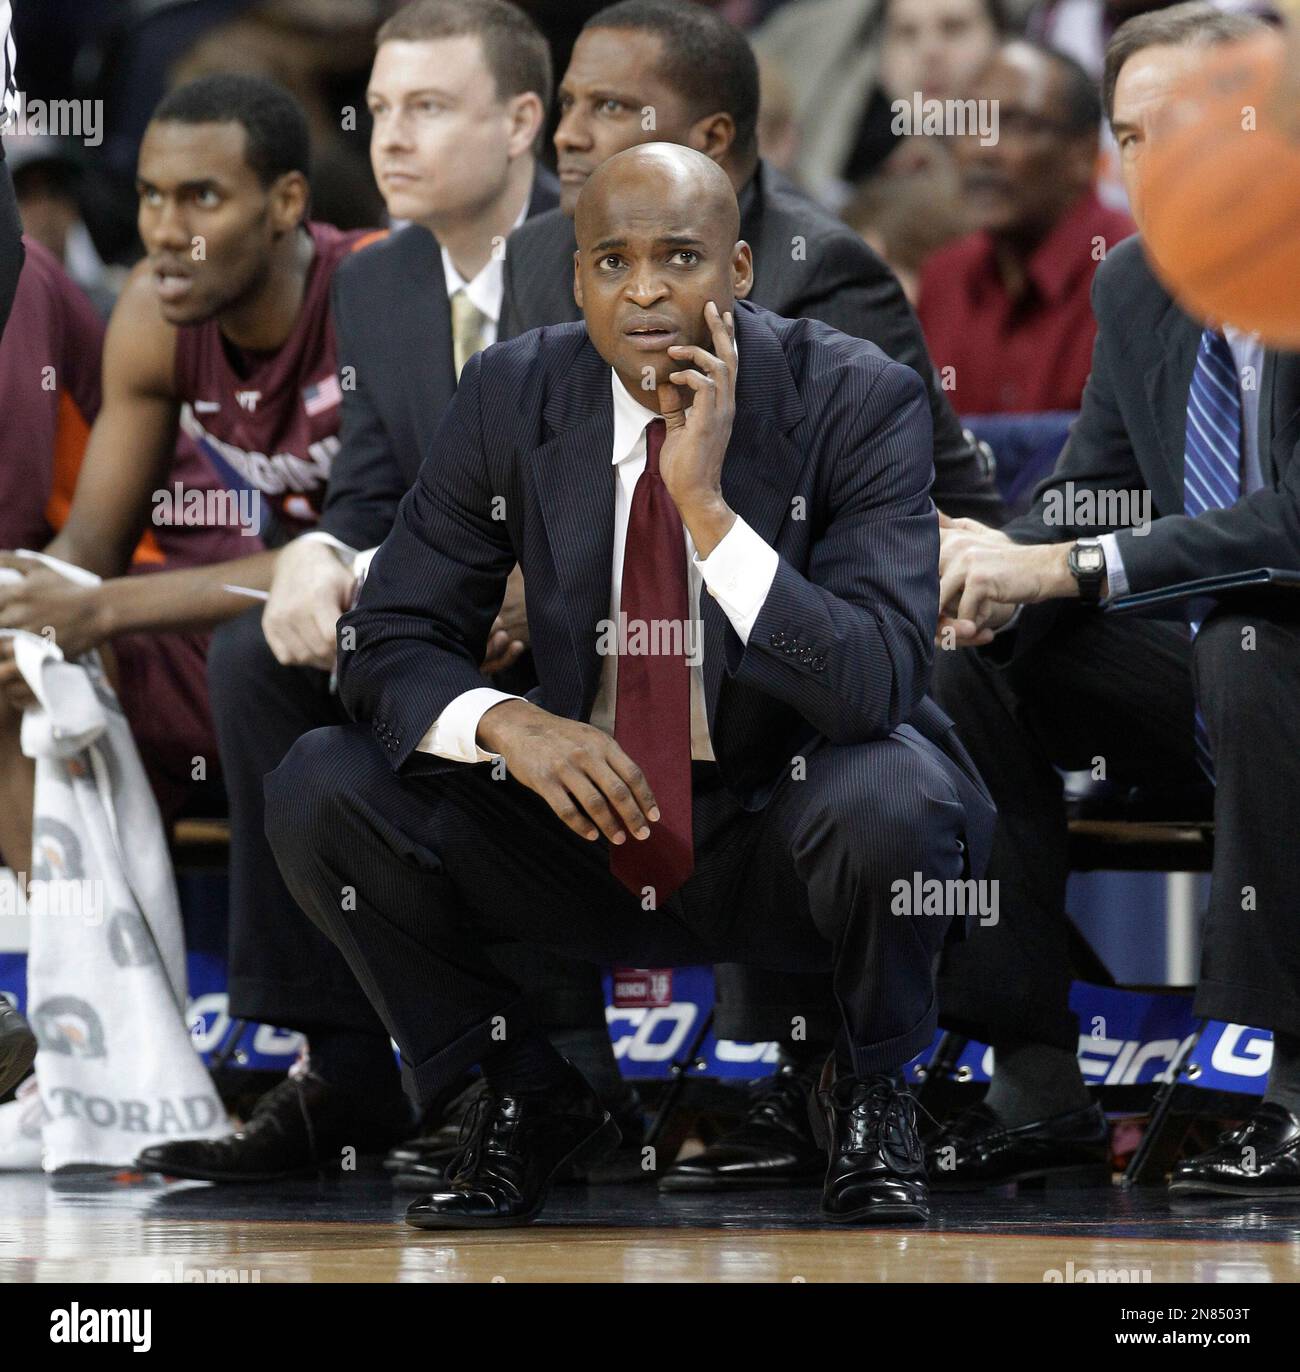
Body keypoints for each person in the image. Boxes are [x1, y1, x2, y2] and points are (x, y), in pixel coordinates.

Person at [265, 142, 996, 1230]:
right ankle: (524, 1092)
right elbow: (390, 637)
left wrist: (708, 516)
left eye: (679, 258)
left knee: (891, 791)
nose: (644, 288)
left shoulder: (856, 397)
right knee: (322, 783)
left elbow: (876, 684)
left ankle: (874, 1093)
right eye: (611, 260)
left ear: (740, 271)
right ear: (575, 281)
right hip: (581, 819)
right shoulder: (514, 391)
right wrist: (510, 726)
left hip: (776, 821)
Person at [498, 0, 1004, 1196]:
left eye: (611, 107)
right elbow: (527, 467)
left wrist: (696, 516)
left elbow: (867, 525)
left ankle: (841, 1070)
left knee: (861, 764)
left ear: (718, 146)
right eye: (568, 103)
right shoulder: (538, 257)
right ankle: (545, 1087)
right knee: (377, 750)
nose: (572, 134)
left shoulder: (825, 274)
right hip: (625, 661)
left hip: (835, 638)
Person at [132, 0, 591, 1186]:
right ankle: (342, 1068)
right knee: (256, 656)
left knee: (518, 664)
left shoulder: (599, 257)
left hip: (594, 627)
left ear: (522, 121)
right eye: (381, 108)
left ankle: (560, 1069)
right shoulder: (380, 283)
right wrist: (317, 559)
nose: (389, 138)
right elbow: (377, 490)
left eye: (429, 108)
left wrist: (529, 583)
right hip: (453, 626)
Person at [926, 3, 1300, 1198]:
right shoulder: (1138, 284)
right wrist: (988, 562)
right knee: (972, 651)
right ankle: (1033, 1072)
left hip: (1270, 655)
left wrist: (1073, 567)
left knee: (1249, 630)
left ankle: (1266, 1070)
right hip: (1216, 676)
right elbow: (1091, 496)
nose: (1152, 166)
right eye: (1131, 138)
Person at [0, 73, 379, 1123]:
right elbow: (85, 552)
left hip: (391, 629)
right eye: (154, 197)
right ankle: (101, 1044)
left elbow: (368, 553)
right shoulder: (153, 315)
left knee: (251, 645)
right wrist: (34, 607)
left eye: (202, 199)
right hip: (239, 625)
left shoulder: (379, 292)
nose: (165, 230)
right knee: (20, 666)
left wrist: (104, 606)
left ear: (289, 203)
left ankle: (330, 1061)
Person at [916, 40, 1136, 414]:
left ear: (1082, 155)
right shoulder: (943, 279)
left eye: (1015, 125)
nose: (983, 149)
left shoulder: (1133, 277)